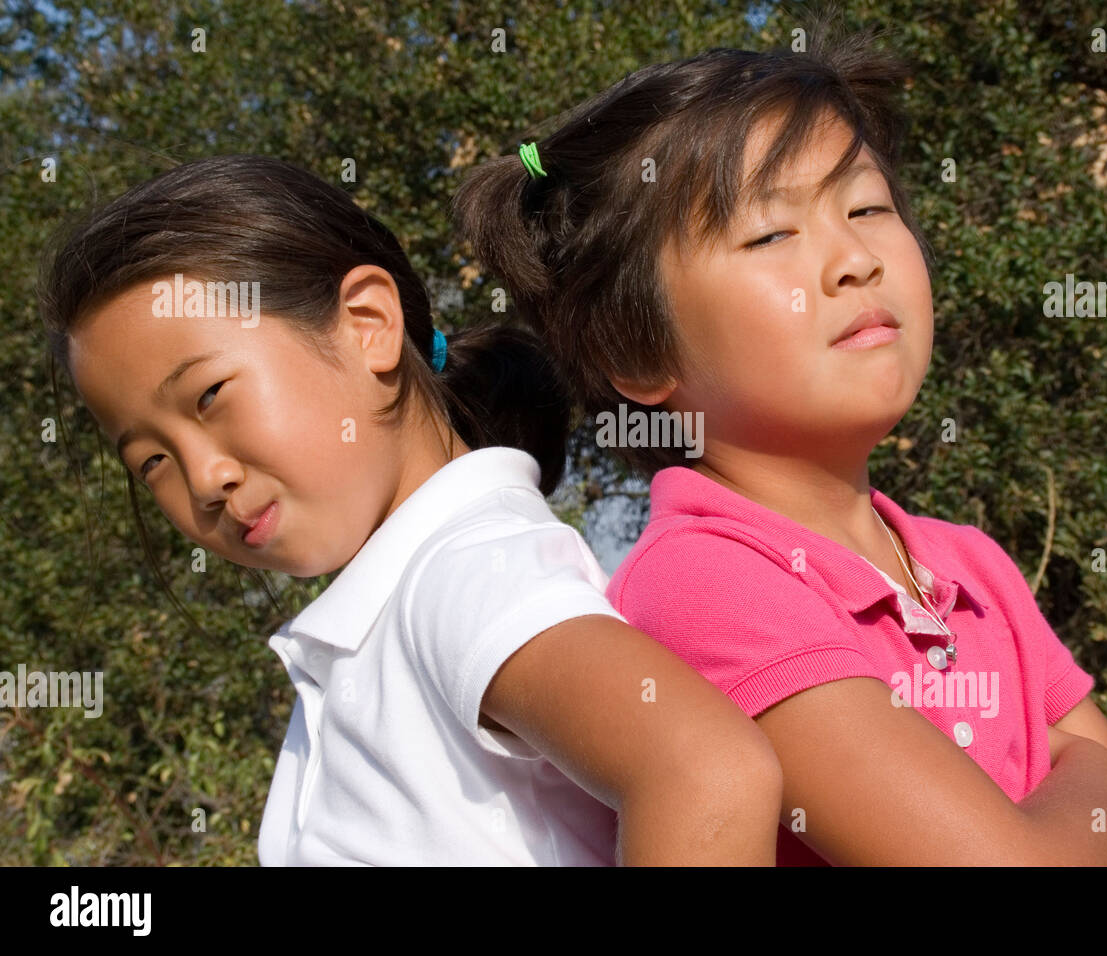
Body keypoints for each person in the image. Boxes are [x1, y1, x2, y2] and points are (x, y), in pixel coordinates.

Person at [450, 18, 1107, 866]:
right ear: (636, 349)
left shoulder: (972, 566)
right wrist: (1091, 768)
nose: (854, 259)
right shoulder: (705, 579)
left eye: (868, 207)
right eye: (772, 234)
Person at [37, 154, 783, 866]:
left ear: (367, 325)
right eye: (151, 461)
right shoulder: (399, 607)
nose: (202, 479)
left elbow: (703, 768)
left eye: (208, 396)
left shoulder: (462, 573)